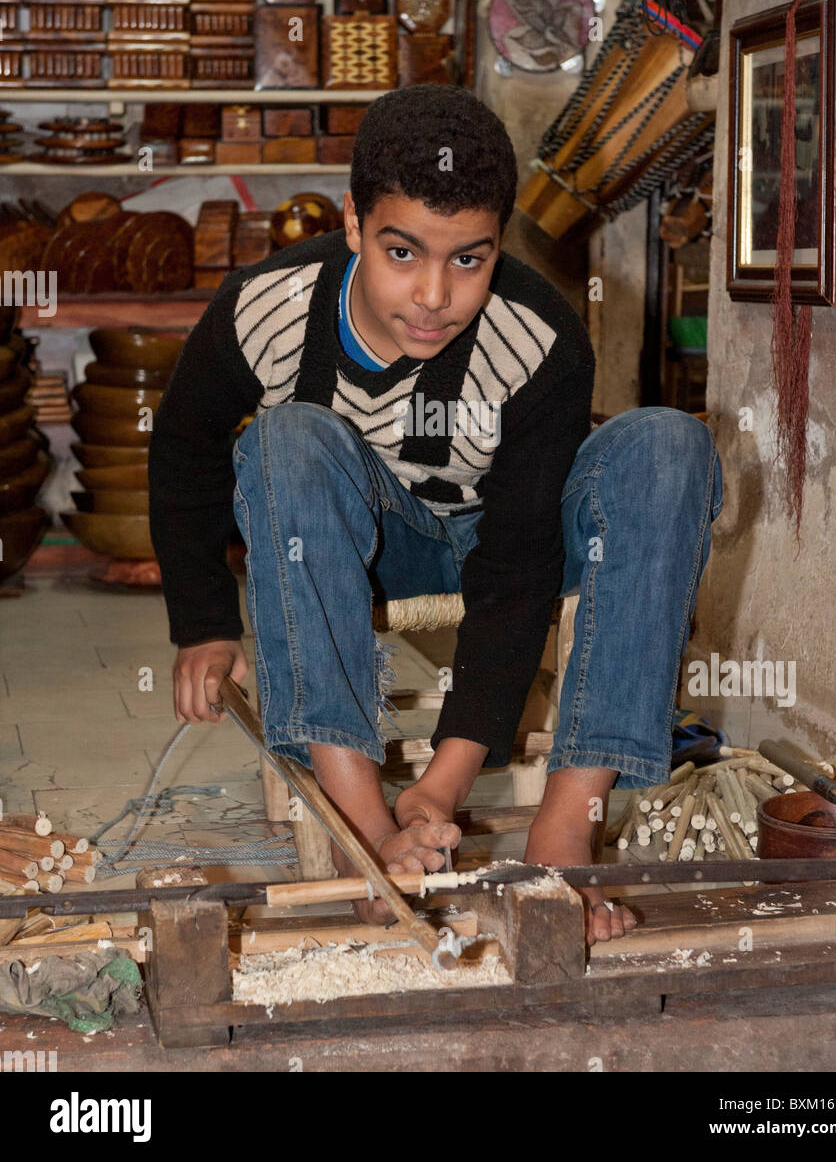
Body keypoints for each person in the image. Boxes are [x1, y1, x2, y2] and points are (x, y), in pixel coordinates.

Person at [148, 84, 723, 943]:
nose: (432, 295)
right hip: (370, 540)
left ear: (497, 245)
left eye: (468, 260)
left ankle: (566, 834)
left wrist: (444, 786)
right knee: (287, 439)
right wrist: (201, 622)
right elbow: (184, 451)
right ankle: (362, 829)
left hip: (507, 537)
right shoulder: (264, 307)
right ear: (352, 224)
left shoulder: (539, 337)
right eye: (402, 252)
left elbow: (520, 566)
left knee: (669, 446)